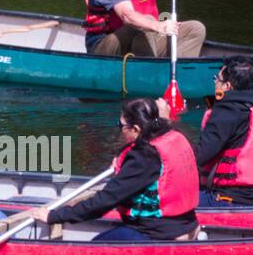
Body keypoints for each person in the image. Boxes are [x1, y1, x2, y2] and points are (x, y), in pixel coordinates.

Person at [28, 97, 199, 242]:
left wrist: (54, 216)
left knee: (93, 248)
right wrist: (124, 162)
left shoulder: (144, 158)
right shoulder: (173, 136)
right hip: (187, 224)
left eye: (120, 125)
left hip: (158, 233)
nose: (119, 129)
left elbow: (104, 202)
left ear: (136, 129)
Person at [193, 55, 253, 207]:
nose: (215, 83)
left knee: (161, 200)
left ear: (227, 86)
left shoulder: (227, 110)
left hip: (227, 199)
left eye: (217, 79)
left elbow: (199, 157)